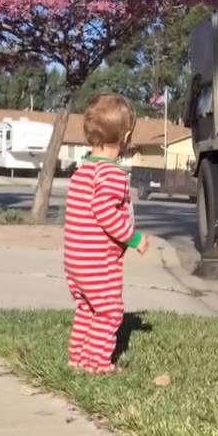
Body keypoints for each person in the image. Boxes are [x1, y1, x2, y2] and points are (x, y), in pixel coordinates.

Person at [63, 93, 149, 373]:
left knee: (87, 309)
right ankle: (98, 364)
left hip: (75, 260)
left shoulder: (83, 170)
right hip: (98, 261)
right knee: (110, 312)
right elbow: (106, 214)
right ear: (125, 137)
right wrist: (134, 238)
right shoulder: (111, 174)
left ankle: (77, 359)